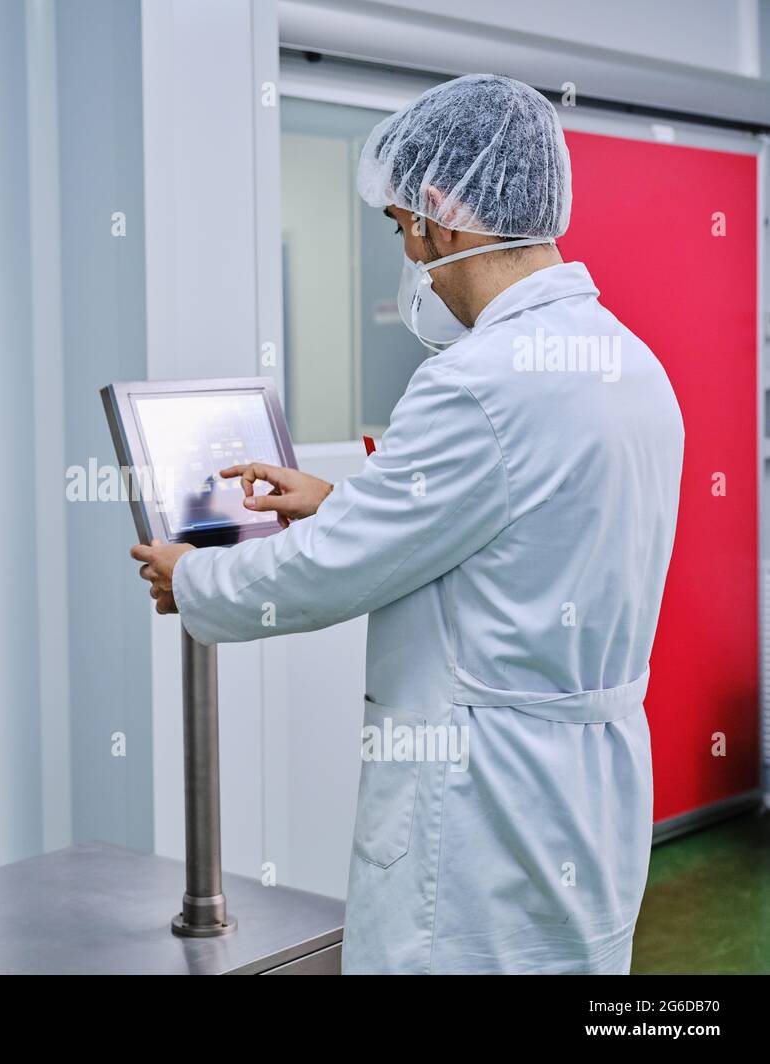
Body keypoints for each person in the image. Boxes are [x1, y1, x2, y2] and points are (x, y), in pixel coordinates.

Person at [132, 73, 683, 974]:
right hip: (590, 790)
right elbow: (511, 540)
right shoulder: (627, 362)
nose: (405, 251)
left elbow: (325, 575)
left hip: (481, 814)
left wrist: (193, 579)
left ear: (440, 215)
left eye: (399, 227)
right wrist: (340, 499)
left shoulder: (482, 379)